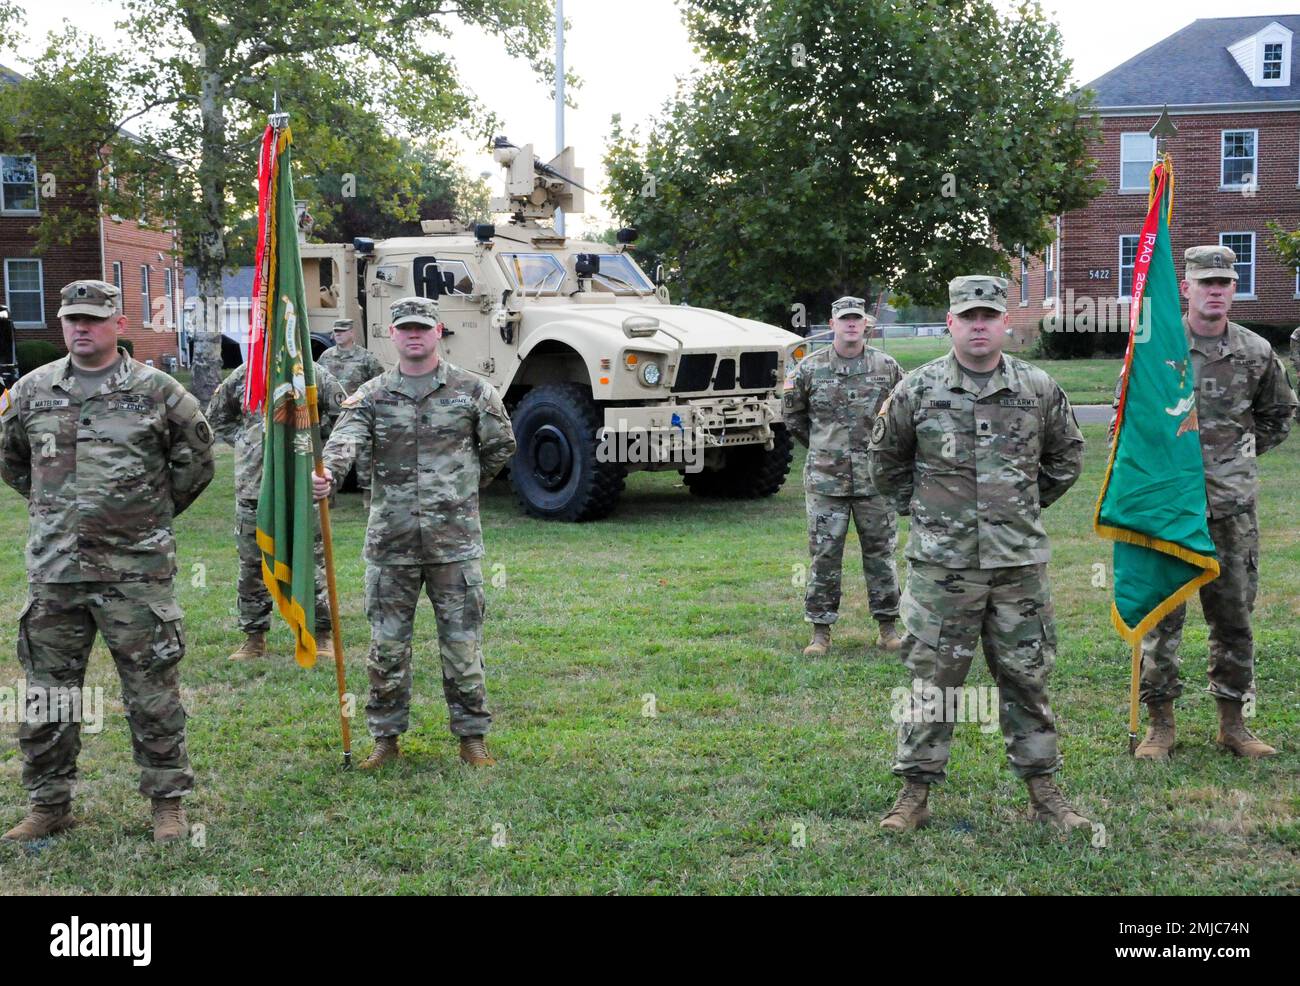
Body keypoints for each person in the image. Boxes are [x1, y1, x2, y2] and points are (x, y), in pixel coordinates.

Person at [868, 275, 1088, 834]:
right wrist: (928, 516)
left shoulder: (1038, 388)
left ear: (1005, 322)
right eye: (969, 317)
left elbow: (1066, 458)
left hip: (1018, 568)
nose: (980, 325)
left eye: (989, 315)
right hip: (944, 570)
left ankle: (1045, 794)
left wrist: (1018, 510)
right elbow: (886, 463)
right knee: (931, 683)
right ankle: (913, 796)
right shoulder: (917, 390)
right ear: (952, 323)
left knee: (1026, 678)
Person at [0, 279, 214, 843]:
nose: (81, 328)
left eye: (93, 318)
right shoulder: (29, 391)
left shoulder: (159, 392)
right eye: (72, 318)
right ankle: (49, 804)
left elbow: (195, 464)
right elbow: (14, 463)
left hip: (135, 573)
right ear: (61, 323)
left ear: (117, 324)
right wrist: (60, 514)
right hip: (56, 574)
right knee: (49, 693)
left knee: (152, 693)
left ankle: (167, 803)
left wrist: (143, 517)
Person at [313, 297, 516, 769]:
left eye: (422, 328)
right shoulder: (371, 394)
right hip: (392, 544)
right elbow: (344, 440)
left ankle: (472, 739)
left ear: (438, 331)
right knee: (386, 647)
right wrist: (330, 473)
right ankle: (385, 739)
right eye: (405, 329)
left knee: (463, 645)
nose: (414, 336)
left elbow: (500, 445)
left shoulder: (473, 391)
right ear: (391, 334)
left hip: (455, 543)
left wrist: (465, 487)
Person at [1131, 246, 1296, 760]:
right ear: (1186, 288)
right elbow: (1129, 421)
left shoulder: (1254, 350)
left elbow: (1277, 415)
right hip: (1171, 510)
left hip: (1231, 510)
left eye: (1225, 281)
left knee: (1234, 620)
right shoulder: (1156, 347)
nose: (1217, 290)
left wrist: (1233, 459)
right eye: (1206, 282)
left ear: (1234, 287)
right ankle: (1160, 724)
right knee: (1163, 620)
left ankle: (1233, 725)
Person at [784, 296, 903, 656]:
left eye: (857, 319)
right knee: (824, 557)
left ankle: (888, 629)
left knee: (881, 556)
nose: (851, 325)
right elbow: (794, 418)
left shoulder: (887, 367)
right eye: (844, 319)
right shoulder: (808, 369)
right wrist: (825, 447)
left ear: (866, 323)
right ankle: (820, 633)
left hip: (874, 482)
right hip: (826, 483)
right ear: (832, 323)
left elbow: (901, 415)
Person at [206, 359, 346, 662]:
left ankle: (320, 634)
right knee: (252, 567)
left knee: (311, 561)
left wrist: (312, 443)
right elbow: (216, 416)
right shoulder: (247, 373)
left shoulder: (313, 374)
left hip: (301, 484)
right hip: (254, 487)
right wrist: (248, 441)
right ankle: (254, 637)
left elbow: (343, 419)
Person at [318, 319, 385, 509]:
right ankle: (328, 496)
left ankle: (367, 496)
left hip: (357, 415)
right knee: (329, 455)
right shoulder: (326, 356)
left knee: (364, 456)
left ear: (352, 333)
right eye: (335, 331)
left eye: (342, 331)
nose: (338, 334)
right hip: (330, 416)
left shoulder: (366, 358)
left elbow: (377, 385)